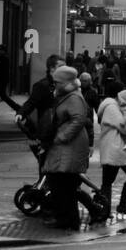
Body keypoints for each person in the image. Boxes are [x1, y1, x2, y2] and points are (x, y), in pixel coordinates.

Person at [42, 66, 96, 230]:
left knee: (64, 184)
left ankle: (68, 220)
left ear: (65, 82)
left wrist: (62, 136)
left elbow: (79, 119)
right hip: (65, 146)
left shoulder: (74, 97)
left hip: (70, 146)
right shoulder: (68, 95)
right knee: (60, 182)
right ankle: (65, 218)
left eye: (57, 82)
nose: (55, 85)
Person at [97, 81, 126, 218]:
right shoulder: (111, 107)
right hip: (114, 148)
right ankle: (106, 210)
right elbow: (123, 126)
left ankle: (121, 206)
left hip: (120, 148)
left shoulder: (114, 105)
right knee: (108, 181)